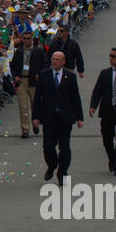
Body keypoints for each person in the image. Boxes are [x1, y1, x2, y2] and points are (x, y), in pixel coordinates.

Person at [33, 51, 84, 186]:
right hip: (49, 116)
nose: (54, 61)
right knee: (48, 146)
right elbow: (37, 98)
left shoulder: (70, 76)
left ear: (63, 62)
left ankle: (62, 173)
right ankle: (52, 165)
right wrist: (36, 117)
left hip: (65, 117)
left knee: (65, 147)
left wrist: (79, 117)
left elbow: (75, 97)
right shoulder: (43, 75)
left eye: (57, 59)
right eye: (53, 59)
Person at [88, 48, 116, 177]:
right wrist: (93, 106)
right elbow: (97, 91)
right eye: (110, 56)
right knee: (107, 138)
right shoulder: (105, 74)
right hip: (108, 111)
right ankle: (112, 158)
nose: (111, 58)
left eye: (113, 56)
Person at [9, 30, 46, 138]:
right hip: (22, 81)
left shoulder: (38, 51)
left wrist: (40, 74)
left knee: (35, 105)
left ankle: (35, 123)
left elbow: (44, 65)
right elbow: (13, 67)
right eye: (24, 38)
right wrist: (15, 76)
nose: (26, 40)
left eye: (28, 38)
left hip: (34, 81)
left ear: (32, 39)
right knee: (23, 106)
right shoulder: (19, 51)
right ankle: (25, 129)